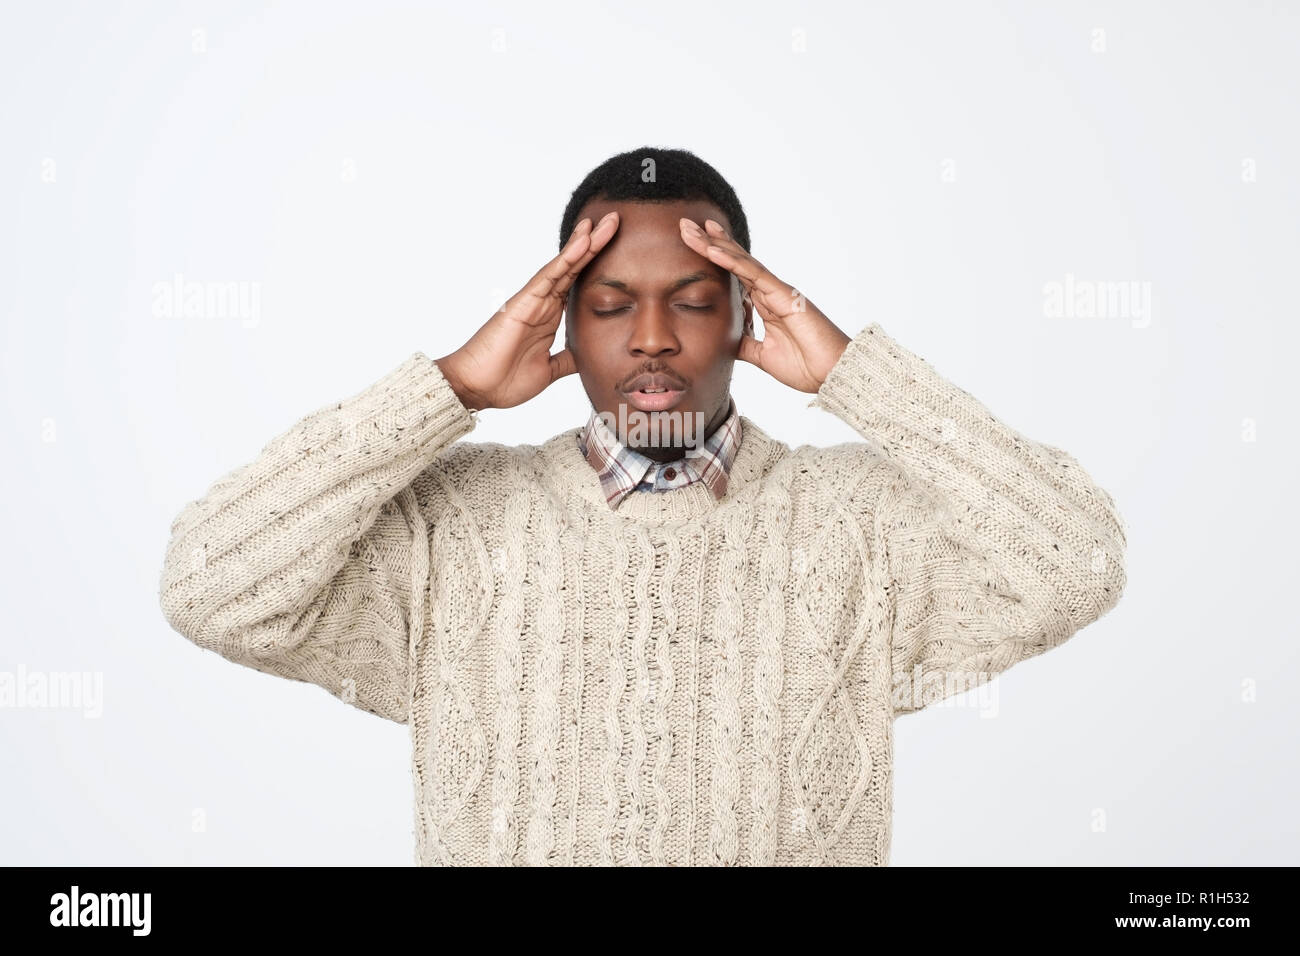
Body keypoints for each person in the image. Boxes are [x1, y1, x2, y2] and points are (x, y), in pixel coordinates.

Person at [158, 146, 1127, 866]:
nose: (654, 336)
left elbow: (1076, 559)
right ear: (561, 323)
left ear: (745, 314)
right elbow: (210, 584)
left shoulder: (857, 526)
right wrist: (447, 388)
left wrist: (854, 375)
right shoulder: (453, 531)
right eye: (612, 303)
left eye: (695, 299)